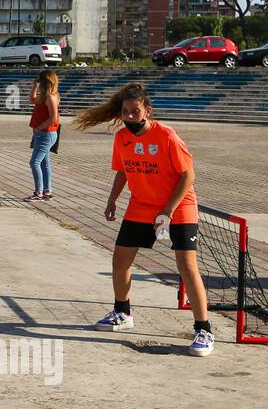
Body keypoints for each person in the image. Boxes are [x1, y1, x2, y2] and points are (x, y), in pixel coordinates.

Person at [74, 83, 214, 357]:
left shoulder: (167, 136)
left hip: (179, 206)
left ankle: (204, 329)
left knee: (186, 266)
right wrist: (112, 199)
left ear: (147, 111)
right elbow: (123, 172)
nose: (129, 117)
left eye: (135, 112)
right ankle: (122, 313)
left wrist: (168, 211)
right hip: (141, 206)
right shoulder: (122, 138)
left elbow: (188, 176)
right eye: (125, 112)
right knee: (120, 260)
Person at [26, 69, 60, 202]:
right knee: (44, 163)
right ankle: (47, 191)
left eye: (39, 80)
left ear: (46, 82)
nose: (38, 82)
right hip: (43, 134)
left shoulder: (51, 96)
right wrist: (34, 87)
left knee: (34, 162)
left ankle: (38, 192)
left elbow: (53, 118)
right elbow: (32, 100)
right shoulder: (45, 95)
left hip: (46, 134)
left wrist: (39, 128)